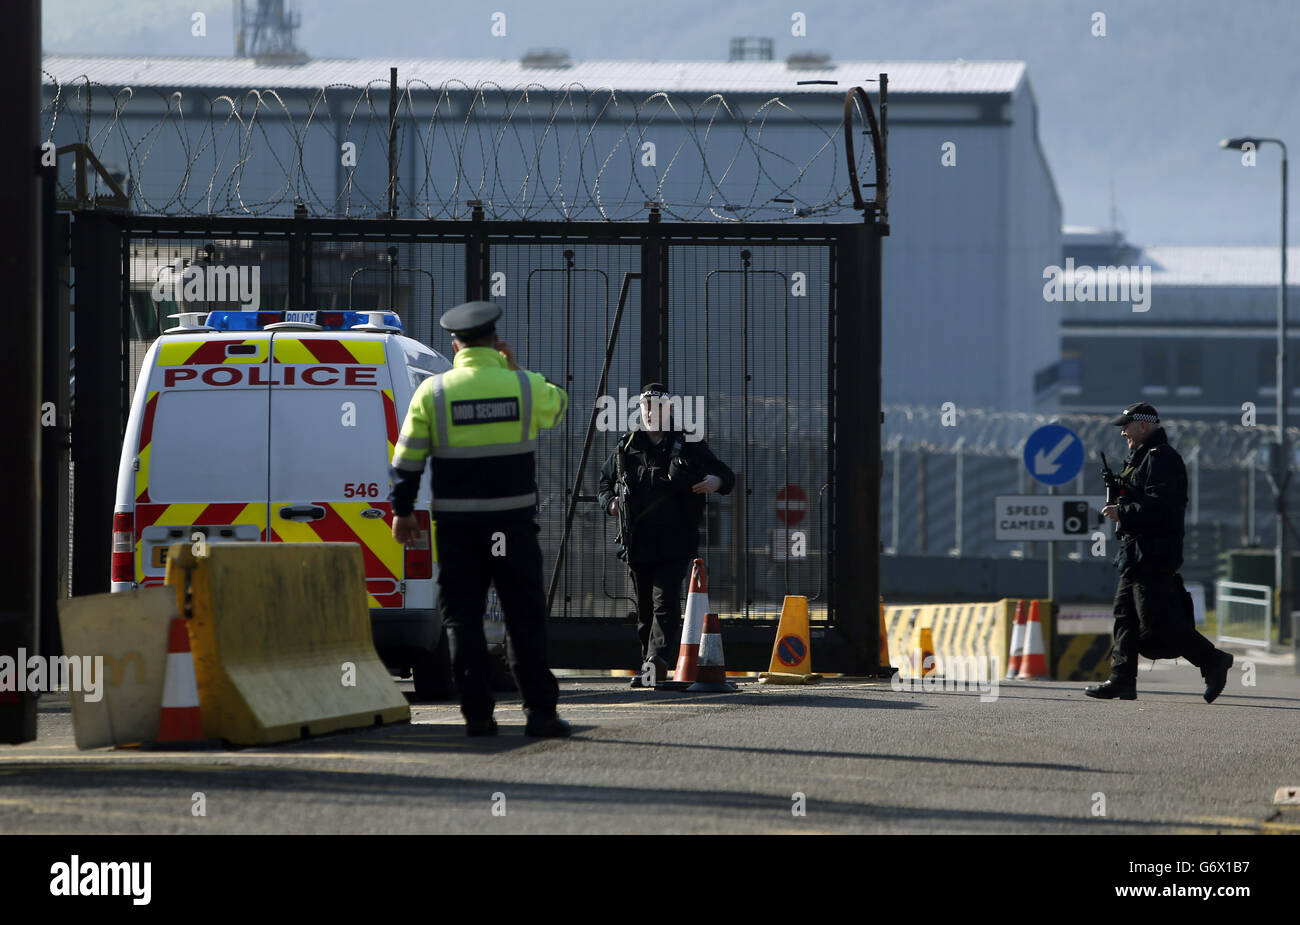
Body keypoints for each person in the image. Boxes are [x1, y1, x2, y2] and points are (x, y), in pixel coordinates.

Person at [389, 300, 571, 737]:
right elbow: (558, 406)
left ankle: (478, 716)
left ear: (455, 344)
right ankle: (541, 715)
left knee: (463, 620)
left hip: (456, 530)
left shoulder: (433, 393)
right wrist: (514, 369)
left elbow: (407, 459)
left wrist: (402, 512)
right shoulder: (524, 388)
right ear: (495, 340)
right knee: (523, 617)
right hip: (512, 528)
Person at [1086, 402, 1234, 703]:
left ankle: (1212, 659)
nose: (1123, 432)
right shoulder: (1142, 459)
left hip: (1154, 553)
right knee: (1124, 616)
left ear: (1143, 425)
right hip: (1136, 552)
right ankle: (1122, 679)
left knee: (1156, 623)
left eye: (1126, 426)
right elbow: (1145, 497)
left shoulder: (1162, 459)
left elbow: (1163, 508)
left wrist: (1123, 511)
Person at [597, 384, 735, 687]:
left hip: (675, 539)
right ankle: (649, 665)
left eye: (657, 407)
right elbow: (604, 483)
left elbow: (726, 475)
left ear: (668, 410)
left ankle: (655, 661)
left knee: (665, 602)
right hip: (638, 541)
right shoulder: (627, 445)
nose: (650, 412)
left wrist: (715, 481)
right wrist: (610, 502)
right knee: (644, 607)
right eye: (645, 406)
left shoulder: (686, 443)